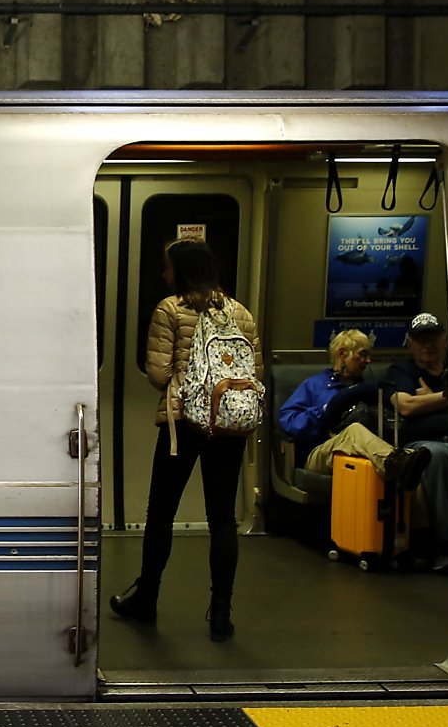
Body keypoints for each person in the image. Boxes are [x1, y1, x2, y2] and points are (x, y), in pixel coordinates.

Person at [107, 239, 263, 642]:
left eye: (167, 267)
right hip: (229, 424)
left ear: (181, 270)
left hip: (183, 423)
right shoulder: (240, 312)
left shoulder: (170, 309)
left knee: (161, 512)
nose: (164, 274)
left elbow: (159, 375)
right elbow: (256, 371)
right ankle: (221, 613)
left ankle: (147, 598)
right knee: (223, 518)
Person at [277, 328, 429, 488]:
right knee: (354, 431)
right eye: (362, 354)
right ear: (343, 354)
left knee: (417, 458)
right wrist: (324, 410)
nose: (368, 361)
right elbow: (289, 422)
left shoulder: (366, 389)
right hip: (320, 453)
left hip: (360, 453)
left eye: (369, 355)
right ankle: (396, 464)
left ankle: (402, 466)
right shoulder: (315, 385)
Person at [385, 312, 448, 573]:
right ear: (410, 343)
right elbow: (406, 406)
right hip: (423, 443)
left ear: (445, 340)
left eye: (433, 338)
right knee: (436, 457)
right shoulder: (402, 370)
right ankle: (446, 547)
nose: (428, 344)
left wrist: (429, 400)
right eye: (421, 339)